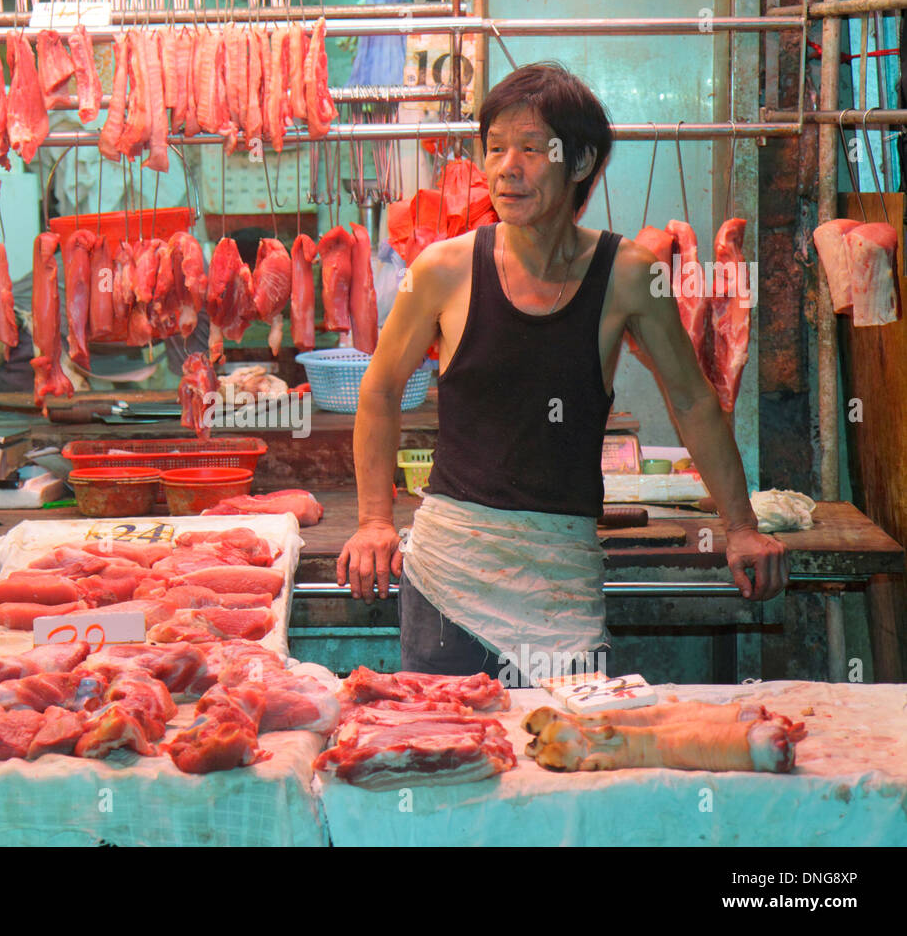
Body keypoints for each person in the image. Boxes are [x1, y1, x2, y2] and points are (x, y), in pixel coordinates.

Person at [336, 62, 787, 683]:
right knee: (450, 751)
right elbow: (381, 391)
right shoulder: (443, 269)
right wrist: (373, 522)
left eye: (529, 149)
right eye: (494, 149)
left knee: (572, 763)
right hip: (448, 578)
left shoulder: (627, 274)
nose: (505, 168)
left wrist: (740, 527)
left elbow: (693, 403)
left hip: (563, 583)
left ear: (580, 165)